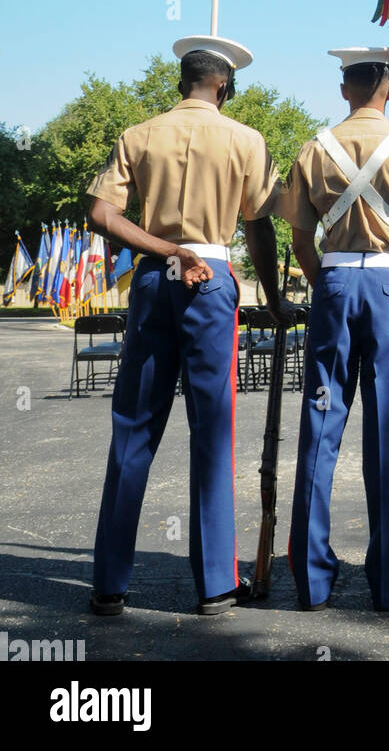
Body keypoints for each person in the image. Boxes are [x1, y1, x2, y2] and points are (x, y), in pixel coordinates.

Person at [87, 35, 290, 617]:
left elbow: (101, 213)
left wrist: (164, 247)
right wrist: (273, 298)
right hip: (211, 276)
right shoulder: (246, 139)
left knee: (132, 429)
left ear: (183, 81)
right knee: (212, 430)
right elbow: (259, 225)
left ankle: (108, 585)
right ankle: (215, 587)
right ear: (222, 84)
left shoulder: (139, 134)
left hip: (156, 276)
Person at [282, 46, 389, 613]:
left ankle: (310, 579)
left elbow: (299, 237)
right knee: (388, 429)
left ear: (344, 89)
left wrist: (325, 279)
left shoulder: (315, 147)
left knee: (320, 422)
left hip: (333, 281)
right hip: (388, 288)